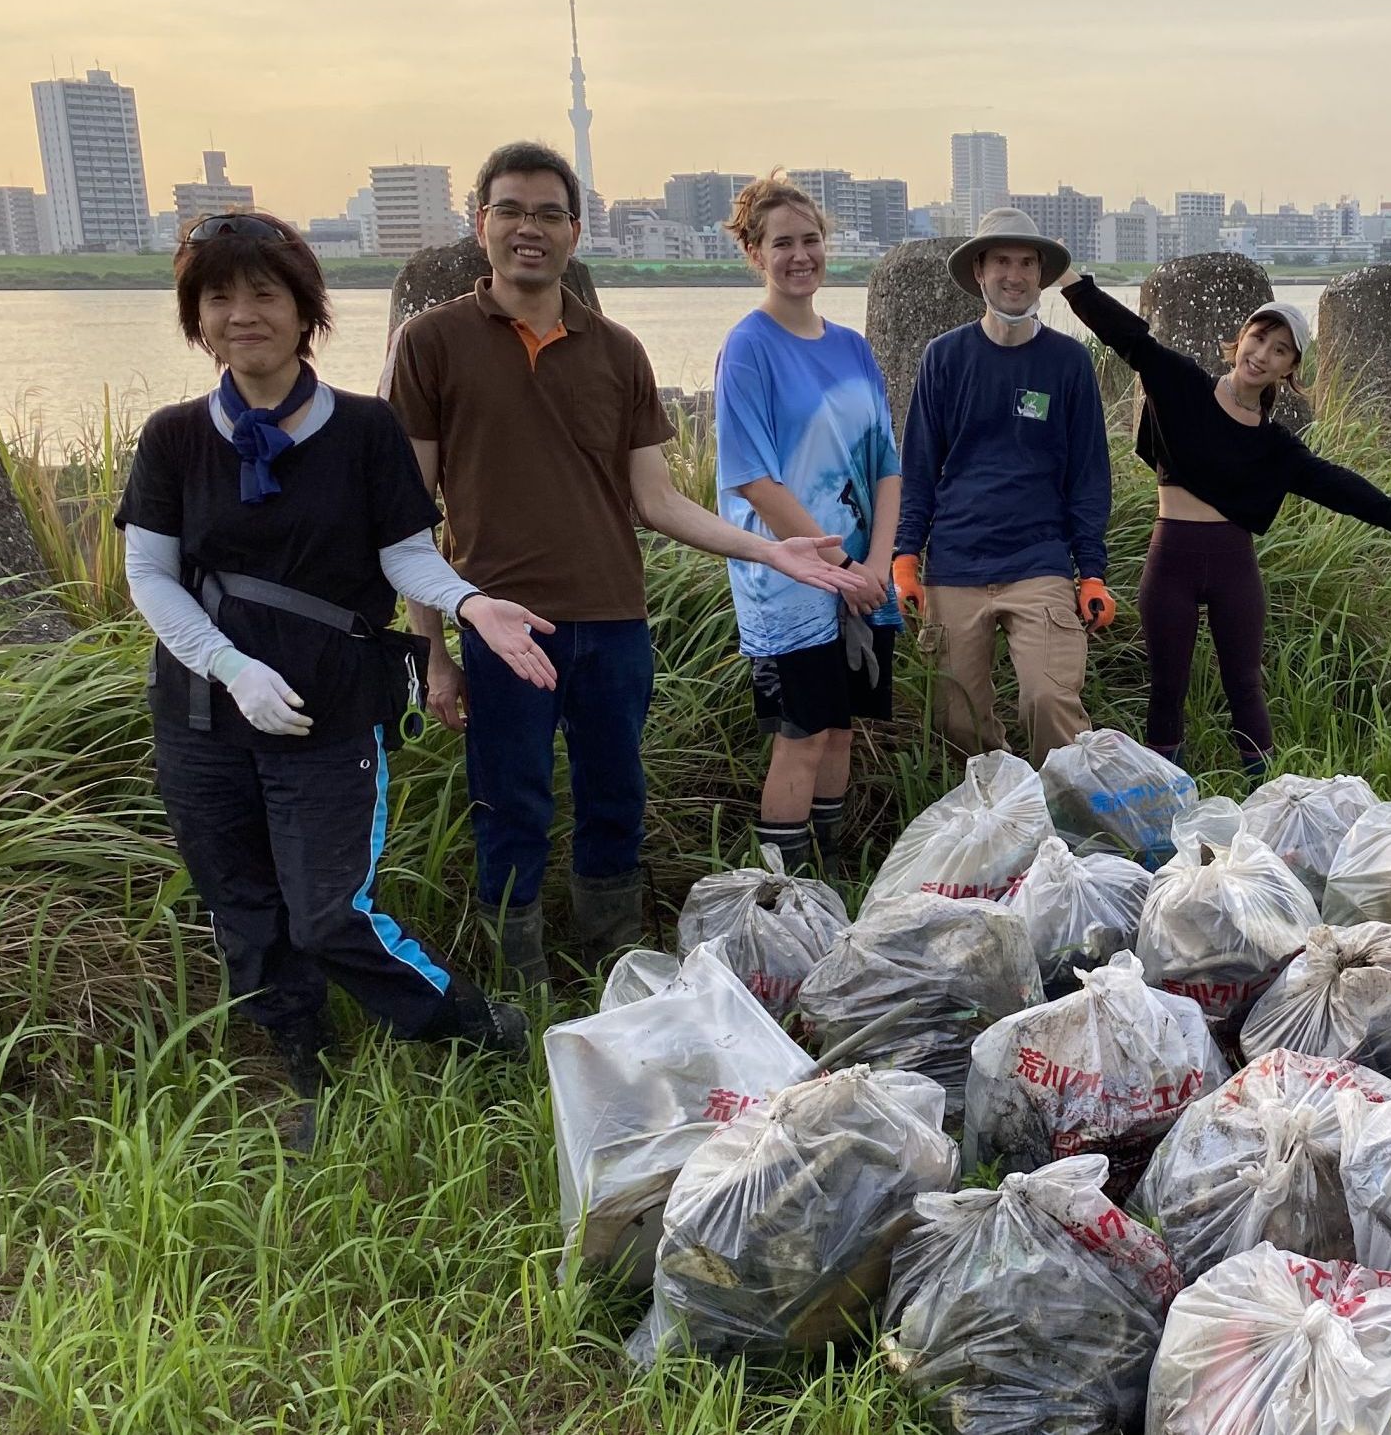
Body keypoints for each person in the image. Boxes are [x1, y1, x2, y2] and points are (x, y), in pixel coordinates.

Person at [118, 212, 552, 1149]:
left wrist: (472, 604)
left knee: (327, 910)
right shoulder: (176, 438)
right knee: (243, 902)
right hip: (201, 713)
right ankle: (301, 1051)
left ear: (304, 309)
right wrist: (229, 667)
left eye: (265, 293)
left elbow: (407, 557)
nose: (244, 315)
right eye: (220, 297)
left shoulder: (363, 430)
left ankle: (467, 1023)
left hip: (330, 710)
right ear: (198, 319)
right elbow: (149, 576)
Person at [386, 142, 846, 988]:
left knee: (614, 798)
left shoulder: (617, 350)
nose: (530, 229)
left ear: (575, 229)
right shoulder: (433, 343)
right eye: (512, 211)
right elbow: (410, 516)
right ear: (481, 223)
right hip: (498, 623)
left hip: (613, 620)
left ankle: (615, 965)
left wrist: (769, 547)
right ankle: (515, 978)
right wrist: (433, 652)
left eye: (549, 213)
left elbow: (656, 500)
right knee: (511, 806)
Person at [1055, 267, 1391, 776]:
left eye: (1281, 350)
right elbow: (1127, 335)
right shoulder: (1184, 387)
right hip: (1169, 562)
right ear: (1239, 340)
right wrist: (1071, 282)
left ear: (1290, 368)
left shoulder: (1273, 446)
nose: (1263, 355)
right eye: (1259, 338)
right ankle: (1164, 802)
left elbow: (1334, 485)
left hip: (1232, 569)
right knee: (1167, 687)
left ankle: (1263, 798)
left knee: (1244, 684)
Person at [710, 174, 901, 872]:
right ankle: (781, 894)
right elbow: (754, 478)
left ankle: (836, 874)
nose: (800, 255)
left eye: (810, 239)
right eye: (781, 242)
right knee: (803, 733)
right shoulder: (749, 347)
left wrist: (876, 565)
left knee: (842, 729)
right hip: (791, 583)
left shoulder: (852, 346)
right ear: (755, 253)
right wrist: (842, 569)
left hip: (862, 576)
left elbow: (887, 464)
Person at [892, 206, 1114, 766]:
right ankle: (1001, 819)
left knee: (1048, 700)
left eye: (1026, 263)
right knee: (956, 719)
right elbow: (919, 467)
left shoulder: (1068, 363)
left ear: (1041, 275)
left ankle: (1070, 829)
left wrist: (1091, 571)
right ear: (979, 273)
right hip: (956, 564)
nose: (1014, 275)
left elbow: (1089, 475)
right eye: (1001, 262)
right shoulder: (944, 358)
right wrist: (904, 559)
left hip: (1039, 561)